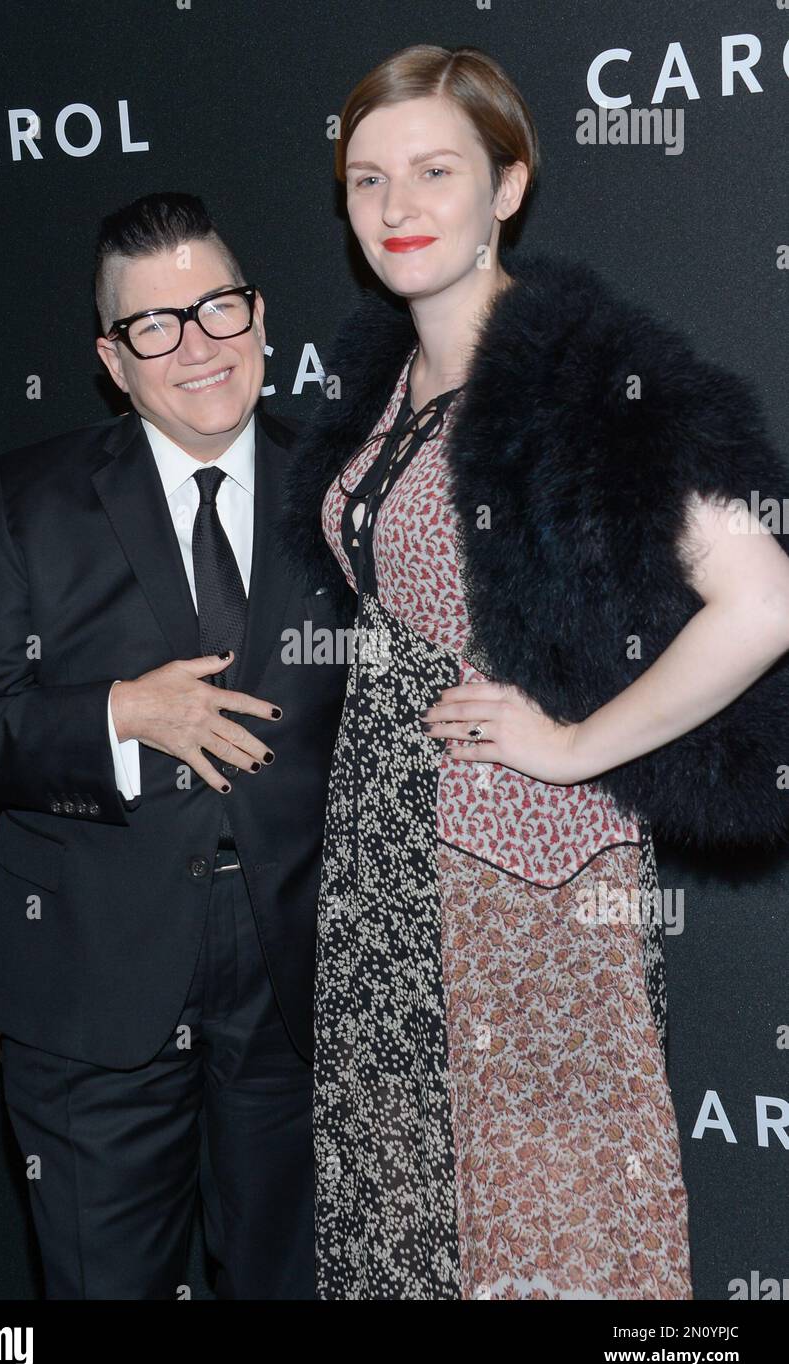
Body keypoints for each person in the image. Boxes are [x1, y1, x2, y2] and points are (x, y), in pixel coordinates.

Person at [278, 44, 789, 1300]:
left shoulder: (583, 380)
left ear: (507, 186)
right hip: (387, 866)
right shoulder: (386, 386)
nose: (395, 209)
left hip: (526, 877)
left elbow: (763, 600)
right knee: (409, 1226)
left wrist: (572, 742)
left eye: (434, 172)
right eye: (366, 180)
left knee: (548, 1231)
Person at [0, 192, 349, 1299]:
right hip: (88, 987)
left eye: (216, 308)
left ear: (260, 317)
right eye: (154, 326)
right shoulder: (35, 498)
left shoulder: (350, 490)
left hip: (295, 993)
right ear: (113, 360)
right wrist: (119, 712)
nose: (196, 345)